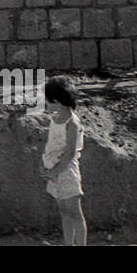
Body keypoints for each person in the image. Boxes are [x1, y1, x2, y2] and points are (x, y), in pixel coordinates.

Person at [41, 76, 86, 246]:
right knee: (64, 212)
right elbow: (51, 146)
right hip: (54, 171)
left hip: (67, 172)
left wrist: (54, 171)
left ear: (57, 101)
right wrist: (45, 166)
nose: (46, 103)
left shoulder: (72, 123)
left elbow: (70, 154)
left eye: (48, 100)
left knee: (75, 213)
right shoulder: (54, 120)